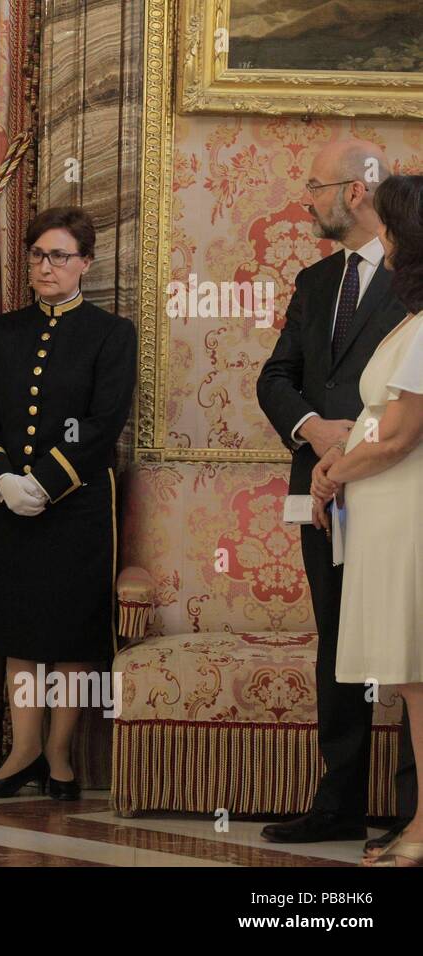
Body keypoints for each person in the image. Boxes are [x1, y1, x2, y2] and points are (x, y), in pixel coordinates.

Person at [257, 139, 415, 846]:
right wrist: (315, 429)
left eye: (316, 187)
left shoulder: (417, 283)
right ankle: (338, 803)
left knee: (413, 646)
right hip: (318, 494)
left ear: (357, 191)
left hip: (397, 491)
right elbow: (275, 378)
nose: (307, 201)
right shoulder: (315, 282)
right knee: (338, 643)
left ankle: (415, 810)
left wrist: (358, 449)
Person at [0, 206, 136, 800]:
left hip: (78, 507)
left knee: (69, 637)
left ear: (86, 263)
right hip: (11, 505)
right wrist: (4, 479)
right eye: (38, 254)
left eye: (59, 256)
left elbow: (103, 423)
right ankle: (21, 752)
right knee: (20, 632)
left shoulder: (111, 334)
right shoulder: (4, 330)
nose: (46, 266)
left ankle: (60, 759)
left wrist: (46, 482)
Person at [310, 173, 423, 867]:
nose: (377, 235)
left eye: (385, 226)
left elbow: (404, 435)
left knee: (417, 676)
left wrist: (332, 471)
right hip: (389, 513)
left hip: (406, 512)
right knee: (413, 679)